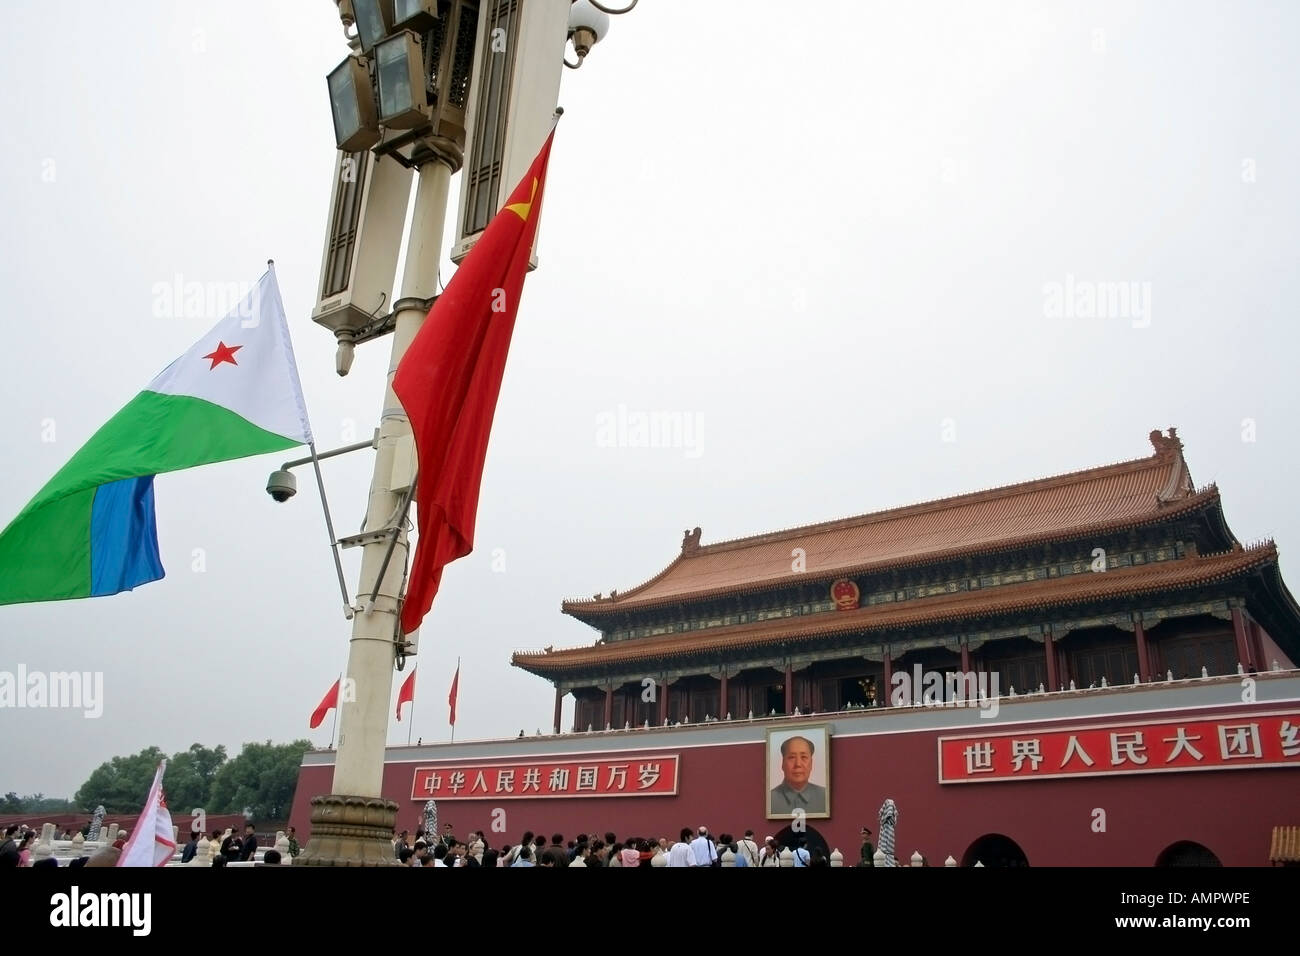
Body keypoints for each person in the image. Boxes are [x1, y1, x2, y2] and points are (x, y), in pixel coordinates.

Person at [769, 734, 827, 814]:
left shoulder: (825, 797)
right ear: (782, 763)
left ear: (811, 763)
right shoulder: (769, 800)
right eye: (792, 757)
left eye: (803, 757)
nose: (798, 764)